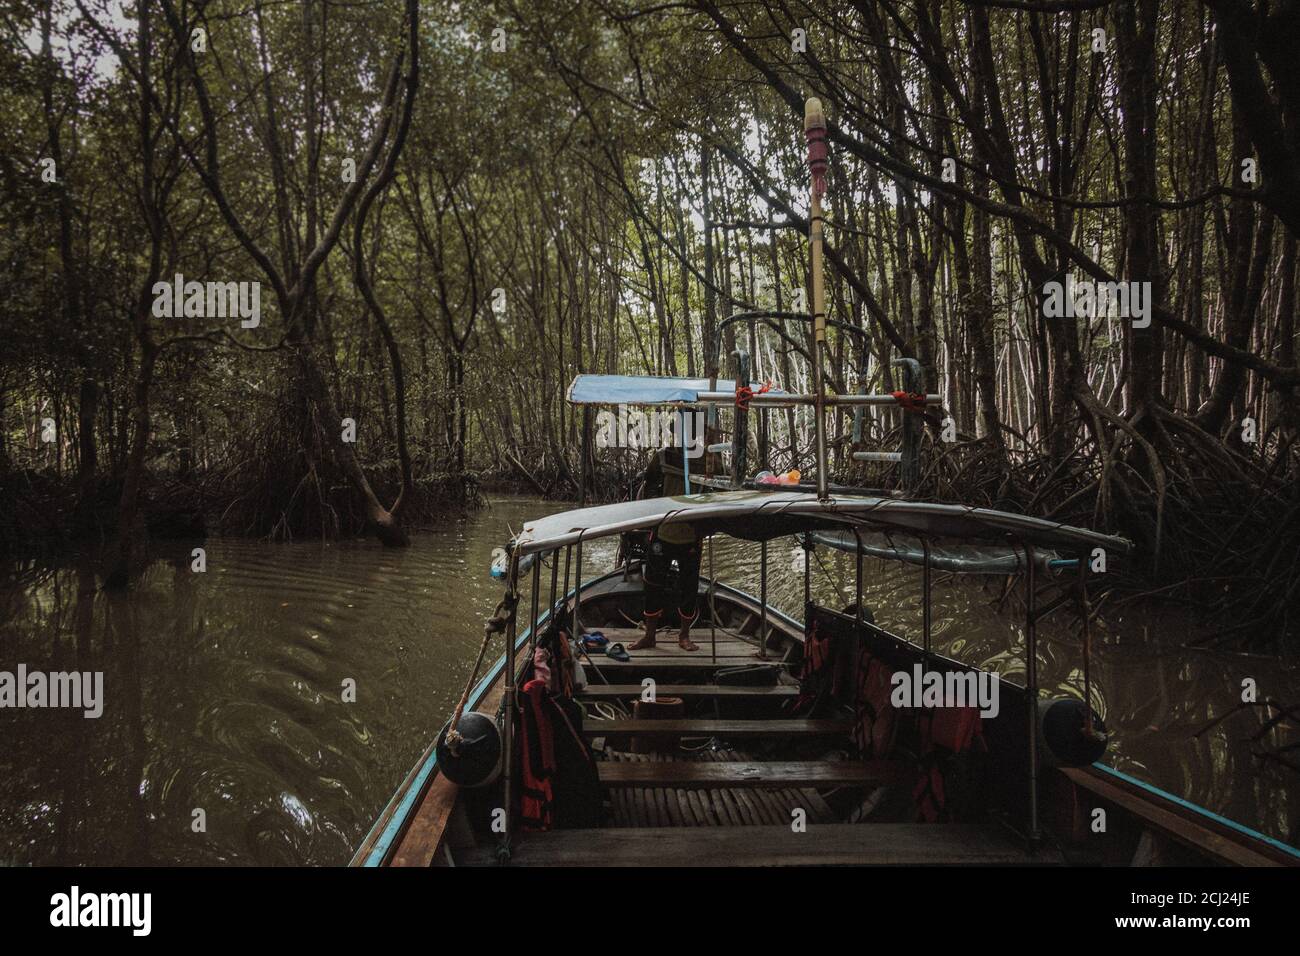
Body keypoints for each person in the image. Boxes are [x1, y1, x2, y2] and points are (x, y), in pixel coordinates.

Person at [630, 445, 703, 652]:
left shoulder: (707, 458)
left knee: (689, 587)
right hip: (663, 532)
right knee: (653, 585)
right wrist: (653, 516)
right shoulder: (663, 455)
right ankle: (649, 636)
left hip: (691, 535)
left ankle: (684, 636)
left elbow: (720, 487)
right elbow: (649, 486)